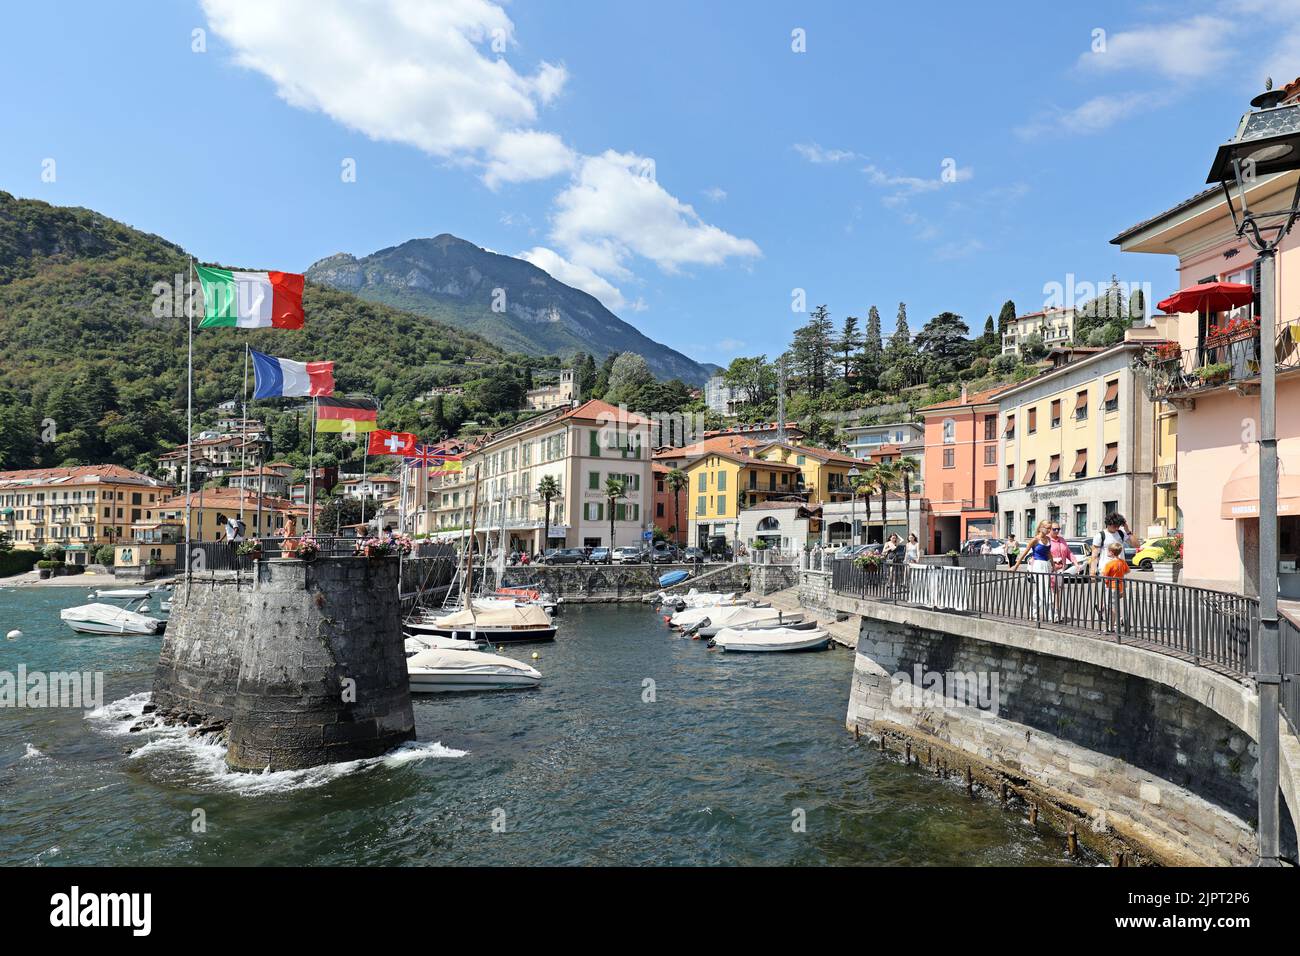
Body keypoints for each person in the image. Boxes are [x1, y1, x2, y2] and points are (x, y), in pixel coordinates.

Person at [1011, 521, 1053, 618]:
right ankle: (1051, 614)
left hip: (1047, 564)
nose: (1049, 530)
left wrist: (1053, 564)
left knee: (1039, 590)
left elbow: (1049, 553)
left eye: (1050, 528)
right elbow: (1024, 553)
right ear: (1041, 528)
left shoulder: (1048, 539)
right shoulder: (1035, 540)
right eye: (1047, 528)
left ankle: (1033, 614)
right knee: (1045, 588)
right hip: (1038, 564)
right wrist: (1016, 566)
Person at [1100, 540, 1130, 628]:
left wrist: (1106, 582)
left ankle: (1111, 626)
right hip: (1120, 586)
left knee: (1110, 607)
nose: (1107, 552)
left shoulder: (1109, 564)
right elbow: (1127, 571)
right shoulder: (1122, 562)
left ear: (1112, 552)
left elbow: (1105, 576)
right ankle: (1116, 621)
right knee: (1115, 605)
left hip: (1111, 586)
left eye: (1108, 550)